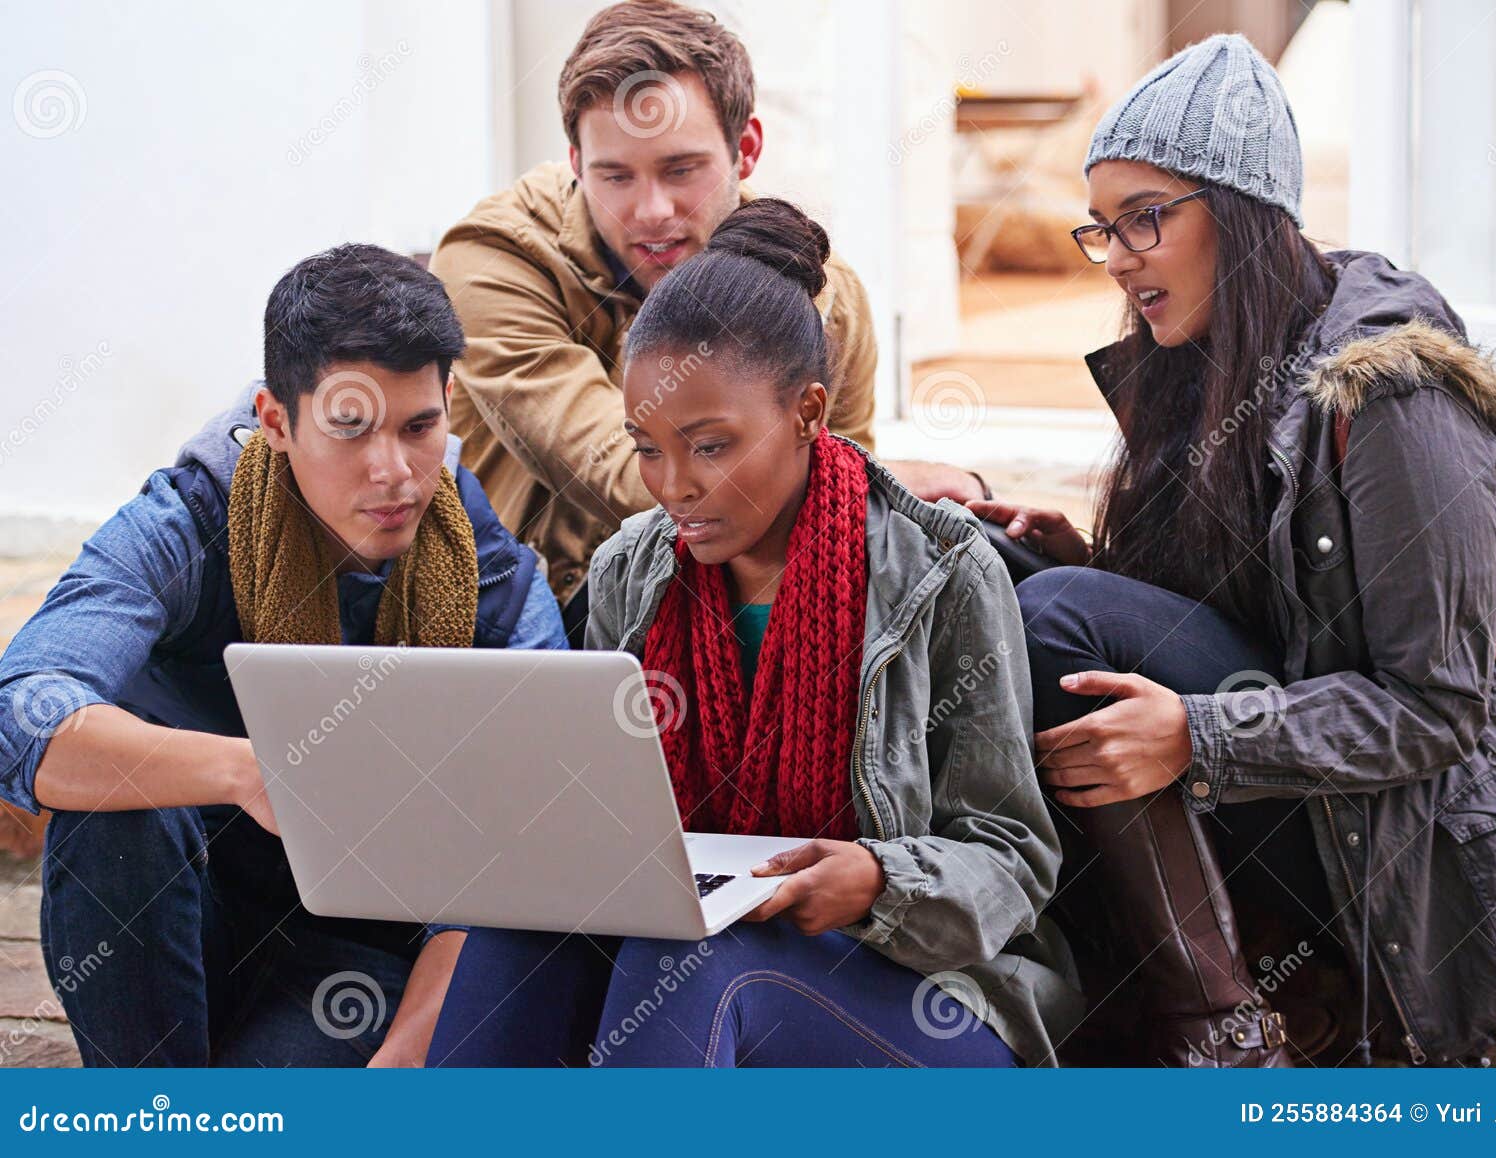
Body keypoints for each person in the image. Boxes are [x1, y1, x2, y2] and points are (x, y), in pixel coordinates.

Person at [972, 33, 1496, 1066]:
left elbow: (1438, 708)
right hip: (1304, 782)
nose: (1119, 256)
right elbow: (1250, 615)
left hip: (1420, 832)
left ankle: (1222, 1038)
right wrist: (1074, 548)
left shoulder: (1395, 390)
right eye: (1103, 228)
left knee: (1062, 624)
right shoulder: (1205, 360)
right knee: (1010, 580)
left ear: (1243, 214)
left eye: (1145, 219)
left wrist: (1199, 739)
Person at [427, 199, 1080, 1068]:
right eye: (647, 448)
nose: (673, 486)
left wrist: (879, 882)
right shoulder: (632, 571)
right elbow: (606, 816)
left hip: (932, 995)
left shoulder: (942, 571)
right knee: (517, 937)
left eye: (710, 446)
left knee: (695, 955)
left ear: (809, 413)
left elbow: (1013, 858)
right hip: (701, 959)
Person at [0, 245, 568, 1067]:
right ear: (275, 419)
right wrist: (255, 771)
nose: (394, 473)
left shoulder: (492, 575)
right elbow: (23, 708)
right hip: (174, 920)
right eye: (350, 429)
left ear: (450, 405)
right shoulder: (190, 523)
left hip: (350, 961)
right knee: (116, 815)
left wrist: (406, 1061)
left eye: (419, 428)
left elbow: (523, 839)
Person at [432, 0, 987, 644]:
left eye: (681, 169)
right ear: (577, 163)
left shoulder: (823, 293)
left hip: (752, 591)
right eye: (614, 175)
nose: (651, 210)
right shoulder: (493, 260)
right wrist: (873, 487)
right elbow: (622, 472)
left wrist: (928, 497)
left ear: (746, 149)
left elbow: (843, 507)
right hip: (548, 611)